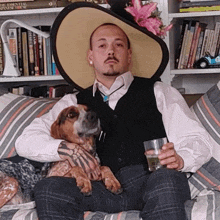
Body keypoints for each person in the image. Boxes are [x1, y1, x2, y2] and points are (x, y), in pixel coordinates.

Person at [15, 2, 212, 220]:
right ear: (91, 56)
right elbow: (25, 141)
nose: (110, 50)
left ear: (129, 55)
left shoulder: (160, 92)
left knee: (169, 178)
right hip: (97, 188)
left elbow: (197, 140)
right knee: (49, 188)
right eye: (102, 45)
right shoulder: (72, 102)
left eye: (118, 45)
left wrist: (180, 159)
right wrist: (67, 150)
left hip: (149, 182)